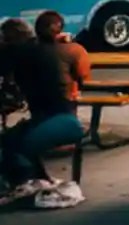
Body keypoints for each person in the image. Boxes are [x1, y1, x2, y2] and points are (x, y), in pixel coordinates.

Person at [0, 19, 83, 195]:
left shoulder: (22, 52)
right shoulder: (38, 49)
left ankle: (24, 184)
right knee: (14, 137)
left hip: (56, 120)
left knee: (13, 144)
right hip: (60, 116)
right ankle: (37, 180)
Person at [34, 11, 90, 103]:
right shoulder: (74, 50)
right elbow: (83, 74)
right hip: (66, 101)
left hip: (36, 101)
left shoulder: (29, 50)